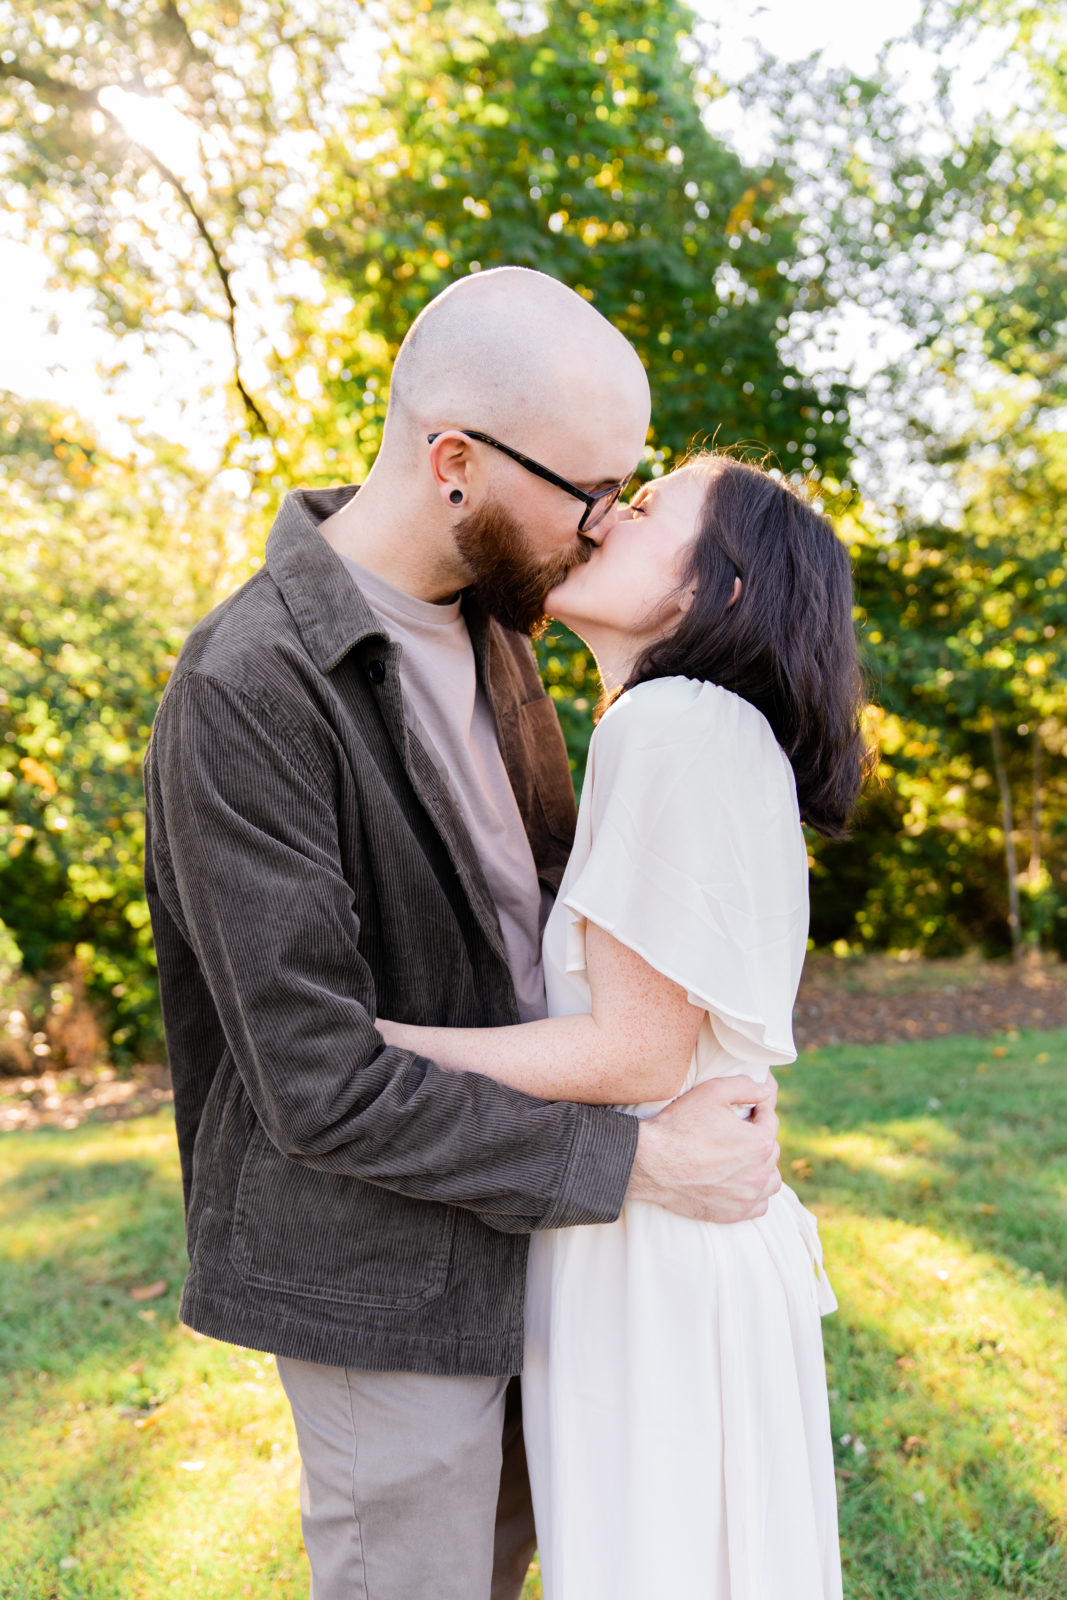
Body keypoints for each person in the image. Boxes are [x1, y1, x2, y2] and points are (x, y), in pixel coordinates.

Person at [142, 267, 785, 1600]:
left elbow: (546, 932)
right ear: (455, 464)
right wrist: (633, 1165)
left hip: (529, 1240)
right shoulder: (247, 687)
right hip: (375, 1276)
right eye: (589, 491)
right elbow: (318, 1089)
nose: (606, 524)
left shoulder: (498, 629)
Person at [378, 452, 868, 1599]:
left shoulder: (674, 723)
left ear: (719, 590)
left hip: (655, 1252)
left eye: (646, 511)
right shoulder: (694, 731)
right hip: (674, 1233)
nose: (603, 518)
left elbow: (634, 1049)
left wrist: (381, 1041)